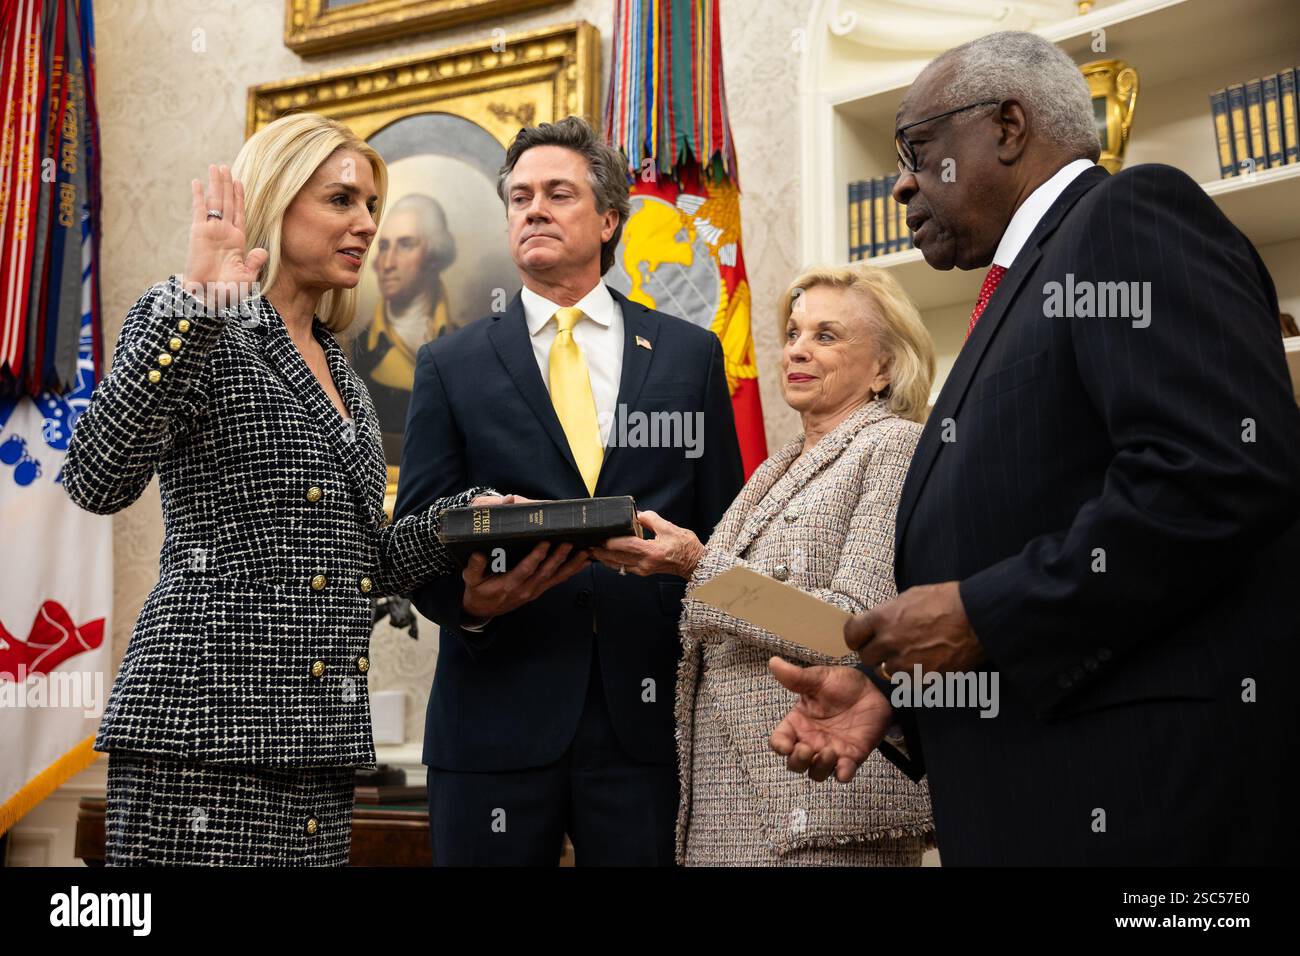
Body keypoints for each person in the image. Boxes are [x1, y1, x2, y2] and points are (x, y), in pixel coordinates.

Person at [770, 30, 1300, 865]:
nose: (902, 181)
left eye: (917, 146)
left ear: (1009, 126)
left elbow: (1218, 471)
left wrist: (982, 616)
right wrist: (892, 693)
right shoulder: (1016, 291)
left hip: (1145, 807)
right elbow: (1033, 520)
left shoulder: (1128, 217)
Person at [62, 113, 494, 866]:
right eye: (340, 201)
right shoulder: (200, 322)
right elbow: (99, 477)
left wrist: (461, 521)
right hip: (205, 738)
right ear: (276, 201)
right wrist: (197, 300)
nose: (364, 224)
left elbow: (356, 564)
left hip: (317, 747)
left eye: (370, 206)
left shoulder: (349, 385)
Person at [395, 115, 744, 866]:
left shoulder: (689, 355)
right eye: (518, 196)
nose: (533, 209)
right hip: (492, 714)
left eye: (558, 193)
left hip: (647, 721)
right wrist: (472, 608)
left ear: (609, 216)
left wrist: (689, 564)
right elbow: (415, 539)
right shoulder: (450, 364)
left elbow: (728, 531)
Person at [595, 264, 936, 865]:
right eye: (793, 333)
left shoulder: (894, 446)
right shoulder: (775, 467)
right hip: (731, 805)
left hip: (822, 801)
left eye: (826, 336)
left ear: (884, 367)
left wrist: (698, 565)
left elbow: (851, 630)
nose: (797, 350)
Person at [352, 193, 456, 457]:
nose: (387, 263)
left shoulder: (469, 345)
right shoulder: (352, 351)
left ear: (434, 255)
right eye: (384, 246)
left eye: (406, 245)